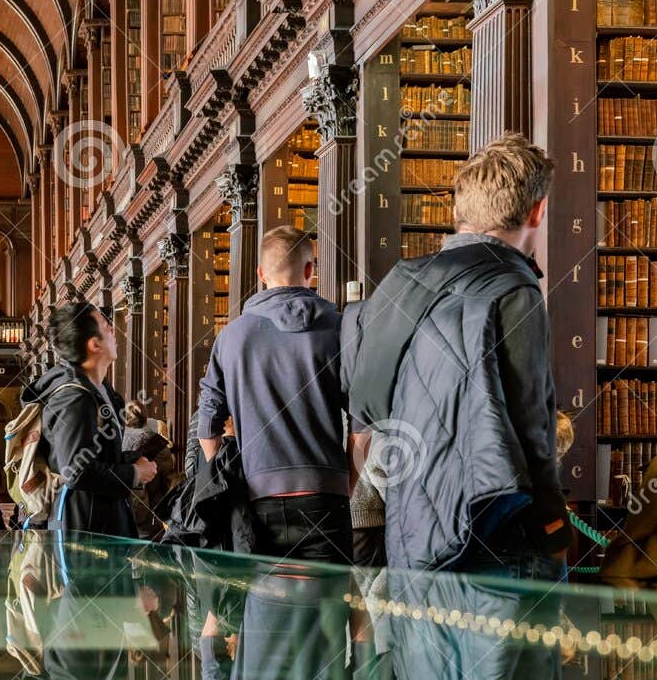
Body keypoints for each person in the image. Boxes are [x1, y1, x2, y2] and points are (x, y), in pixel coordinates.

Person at [344, 134, 567, 575]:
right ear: (537, 210)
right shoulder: (515, 291)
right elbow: (531, 427)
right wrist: (554, 526)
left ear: (457, 212)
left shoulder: (399, 283)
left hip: (411, 525)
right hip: (494, 524)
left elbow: (365, 403)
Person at [197, 226, 351, 564]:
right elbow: (362, 415)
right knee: (329, 607)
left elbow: (207, 424)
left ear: (261, 273)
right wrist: (347, 480)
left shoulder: (232, 336)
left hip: (256, 496)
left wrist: (226, 476)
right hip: (325, 492)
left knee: (264, 608)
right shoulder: (340, 328)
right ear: (310, 270)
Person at [19, 303, 155, 537]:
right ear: (94, 344)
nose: (113, 330)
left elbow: (93, 453)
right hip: (86, 529)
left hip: (98, 519)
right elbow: (76, 470)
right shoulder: (74, 397)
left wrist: (133, 460)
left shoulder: (99, 390)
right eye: (106, 326)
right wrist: (134, 473)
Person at [122, 400, 175, 539]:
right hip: (150, 516)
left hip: (122, 514)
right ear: (146, 417)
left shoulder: (117, 441)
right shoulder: (157, 444)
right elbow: (166, 482)